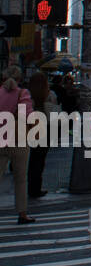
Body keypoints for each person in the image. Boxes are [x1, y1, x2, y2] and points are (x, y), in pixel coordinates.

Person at [0, 66, 36, 223]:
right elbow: (27, 115)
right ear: (20, 79)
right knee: (20, 179)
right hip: (19, 139)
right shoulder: (23, 93)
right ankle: (22, 214)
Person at [26, 72, 54, 200]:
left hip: (31, 128)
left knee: (33, 160)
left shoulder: (27, 96)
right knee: (40, 160)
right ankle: (36, 188)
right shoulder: (49, 95)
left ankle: (32, 188)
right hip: (45, 128)